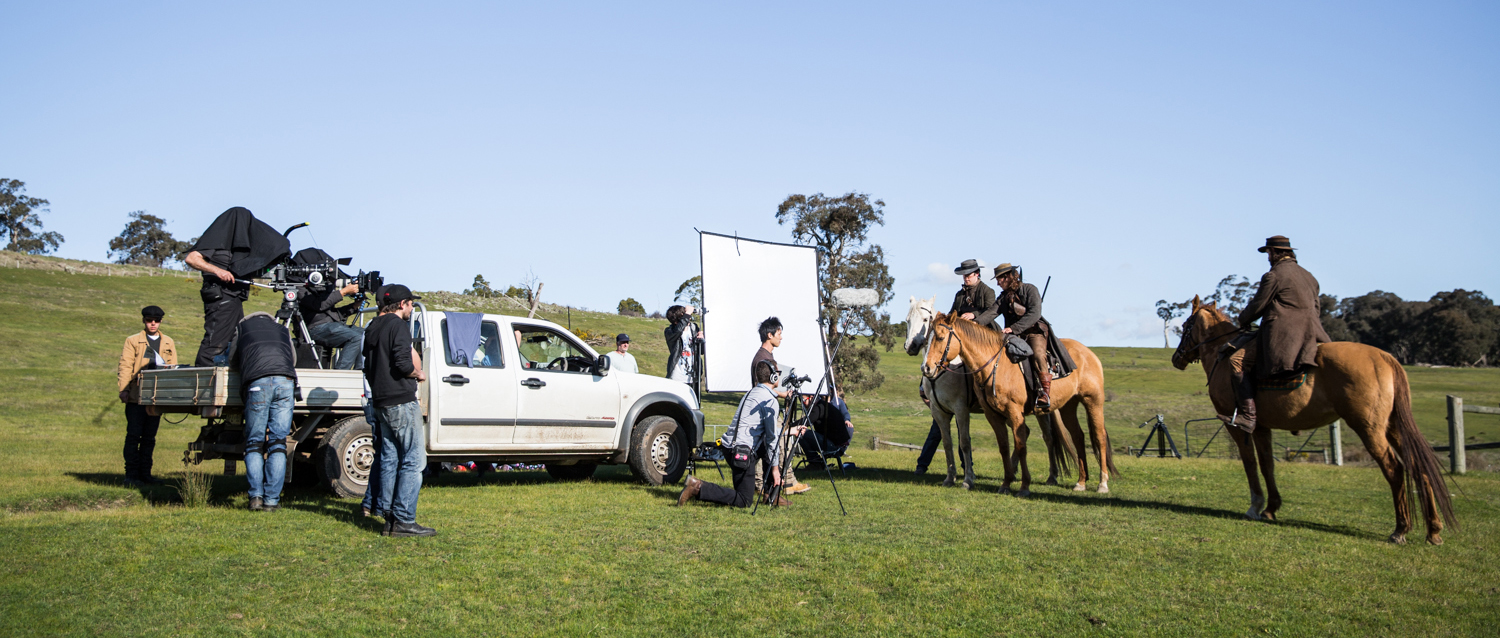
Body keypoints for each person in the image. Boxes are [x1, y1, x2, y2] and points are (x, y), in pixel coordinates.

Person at [1225, 235, 1332, 433]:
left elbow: (1258, 306)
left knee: (1236, 361)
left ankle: (1248, 416)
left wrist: (1243, 320)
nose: (1268, 258)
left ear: (1274, 252)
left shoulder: (1273, 275)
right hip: (1313, 333)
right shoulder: (1309, 276)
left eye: (1268, 253)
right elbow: (1316, 309)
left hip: (1283, 334)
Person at [678, 360, 803, 508]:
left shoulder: (752, 393)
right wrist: (776, 470)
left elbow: (766, 434)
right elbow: (771, 439)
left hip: (731, 448)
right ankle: (698, 487)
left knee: (766, 448)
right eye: (778, 373)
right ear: (773, 377)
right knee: (744, 500)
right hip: (741, 453)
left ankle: (770, 495)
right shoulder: (770, 401)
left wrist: (790, 431)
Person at [363, 284, 435, 537]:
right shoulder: (398, 326)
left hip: (380, 401)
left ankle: (388, 518)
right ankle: (404, 519)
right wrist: (418, 373)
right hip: (400, 401)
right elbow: (403, 364)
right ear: (402, 304)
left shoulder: (372, 326)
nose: (412, 308)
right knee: (414, 460)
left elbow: (368, 365)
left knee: (390, 458)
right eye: (411, 304)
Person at [182, 207, 290, 366]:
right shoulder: (215, 241)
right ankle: (202, 374)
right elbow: (192, 258)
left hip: (234, 299)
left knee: (234, 341)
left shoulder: (237, 250)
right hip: (221, 298)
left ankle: (223, 374)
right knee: (215, 342)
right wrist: (218, 271)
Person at [234, 312, 298, 512]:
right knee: (278, 443)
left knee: (254, 442)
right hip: (285, 381)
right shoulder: (282, 329)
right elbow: (293, 358)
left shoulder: (242, 329)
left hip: (258, 382)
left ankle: (256, 497)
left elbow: (232, 359)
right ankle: (271, 501)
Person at [975, 263, 1054, 409]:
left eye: (999, 279)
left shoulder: (1030, 289)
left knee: (1038, 354)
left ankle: (1044, 393)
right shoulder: (1003, 297)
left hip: (1033, 333)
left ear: (1008, 277)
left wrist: (1013, 328)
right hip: (1013, 336)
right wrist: (975, 324)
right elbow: (991, 313)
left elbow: (1034, 314)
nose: (998, 283)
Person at [117, 305, 176, 486]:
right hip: (136, 395)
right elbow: (125, 366)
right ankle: (131, 475)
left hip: (156, 397)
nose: (153, 324)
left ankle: (145, 474)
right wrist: (124, 389)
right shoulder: (132, 341)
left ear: (160, 321)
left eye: (156, 321)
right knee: (134, 435)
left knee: (149, 437)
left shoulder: (168, 342)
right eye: (149, 320)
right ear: (143, 320)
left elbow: (173, 368)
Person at [750, 316, 809, 495]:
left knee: (777, 442)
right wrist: (782, 394)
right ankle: (780, 483)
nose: (781, 337)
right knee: (779, 441)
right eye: (779, 333)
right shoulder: (762, 359)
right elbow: (761, 388)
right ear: (770, 335)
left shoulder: (767, 356)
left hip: (769, 405)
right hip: (765, 408)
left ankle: (776, 482)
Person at [293, 248, 363, 369]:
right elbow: (318, 305)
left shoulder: (324, 284)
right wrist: (343, 292)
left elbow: (332, 315)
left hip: (329, 325)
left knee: (366, 335)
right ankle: (340, 374)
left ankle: (360, 372)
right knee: (356, 338)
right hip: (313, 328)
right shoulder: (298, 286)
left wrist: (354, 306)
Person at [949, 259, 999, 331]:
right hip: (962, 329)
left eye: (968, 275)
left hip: (985, 329)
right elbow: (953, 313)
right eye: (964, 275)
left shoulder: (988, 291)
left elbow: (990, 312)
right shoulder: (959, 294)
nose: (966, 278)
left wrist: (974, 314)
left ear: (977, 274)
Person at [664, 305, 700, 386]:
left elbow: (701, 351)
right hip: (678, 377)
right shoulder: (670, 331)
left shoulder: (693, 328)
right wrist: (687, 314)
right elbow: (678, 330)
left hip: (694, 377)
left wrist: (701, 340)